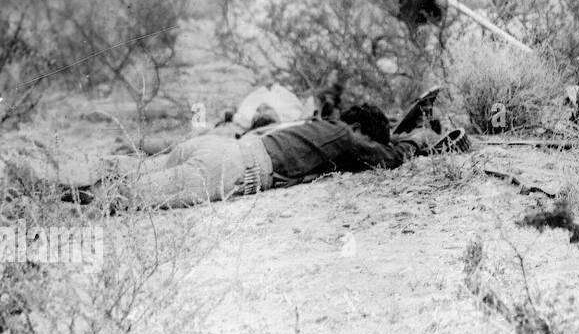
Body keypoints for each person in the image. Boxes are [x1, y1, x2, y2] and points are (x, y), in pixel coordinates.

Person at [20, 104, 453, 211]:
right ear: (358, 129)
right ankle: (49, 195)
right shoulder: (342, 135)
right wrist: (418, 141)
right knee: (131, 197)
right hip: (233, 168)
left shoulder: (308, 123)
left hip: (220, 146)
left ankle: (45, 173)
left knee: (132, 170)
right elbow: (384, 157)